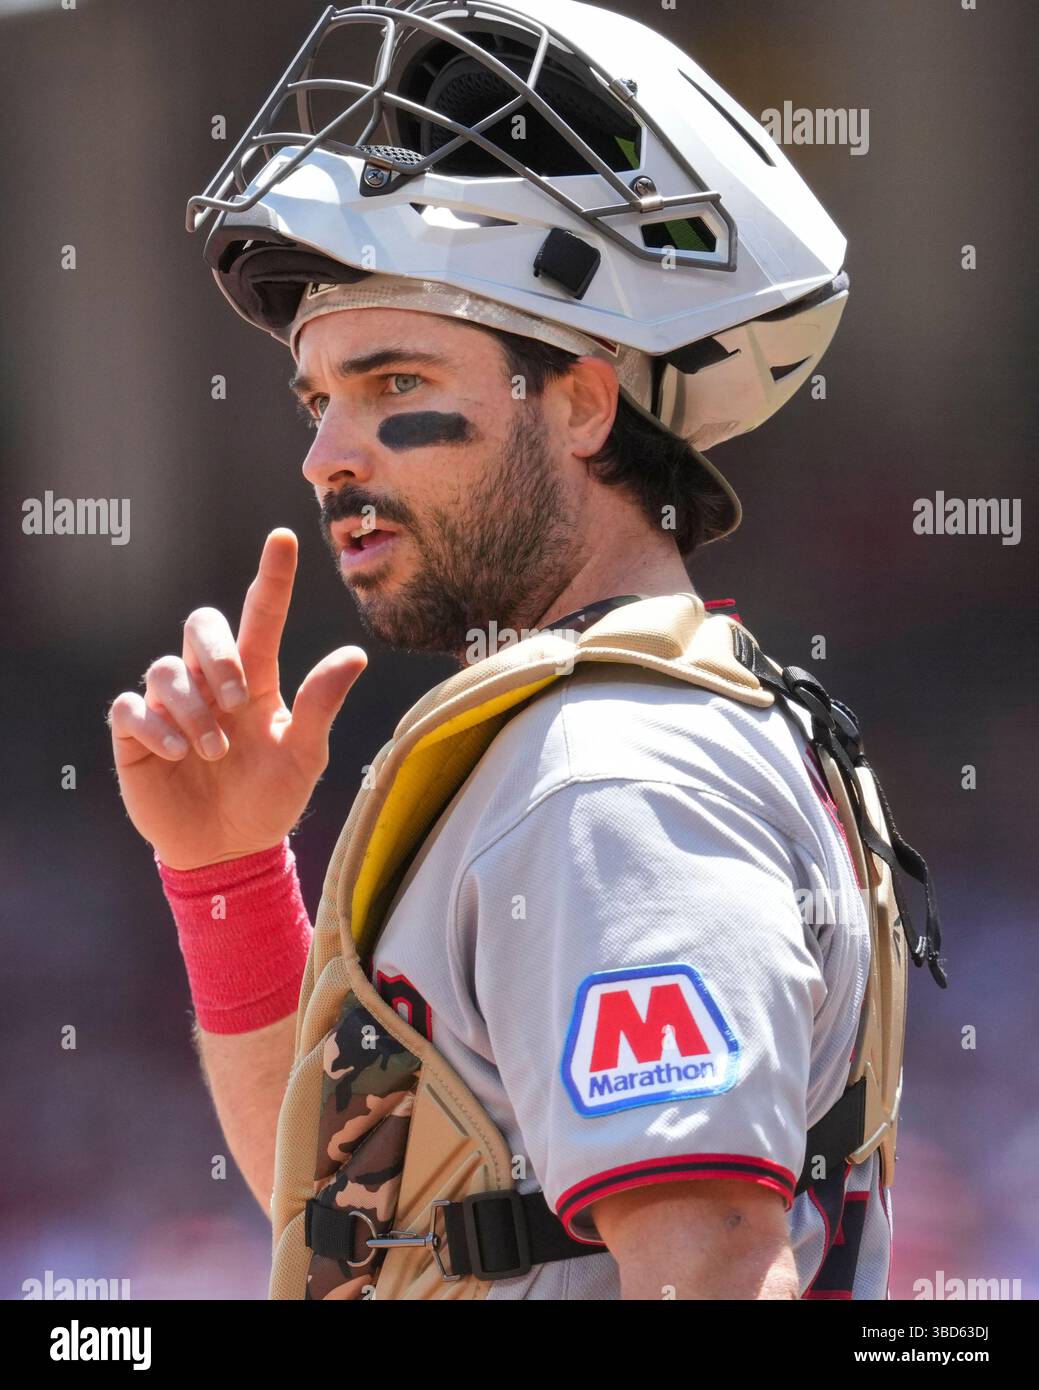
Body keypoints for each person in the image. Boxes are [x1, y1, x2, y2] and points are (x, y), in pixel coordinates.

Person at [109, 0, 929, 1299]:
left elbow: (710, 1266)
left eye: (395, 385)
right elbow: (370, 1221)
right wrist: (225, 875)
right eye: (320, 399)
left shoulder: (609, 777)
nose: (326, 452)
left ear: (584, 403)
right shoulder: (620, 730)